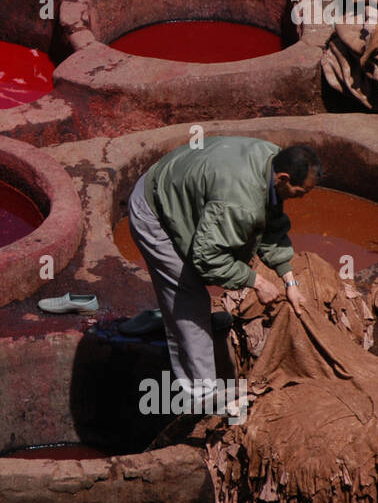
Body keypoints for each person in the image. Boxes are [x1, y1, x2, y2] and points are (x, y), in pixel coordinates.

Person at [127, 136, 319, 403]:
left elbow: (271, 226)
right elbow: (208, 260)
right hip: (155, 211)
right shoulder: (239, 201)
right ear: (284, 178)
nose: (301, 199)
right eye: (300, 193)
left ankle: (164, 319)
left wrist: (290, 282)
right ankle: (202, 395)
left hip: (183, 192)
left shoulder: (271, 159)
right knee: (189, 299)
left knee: (192, 290)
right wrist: (258, 282)